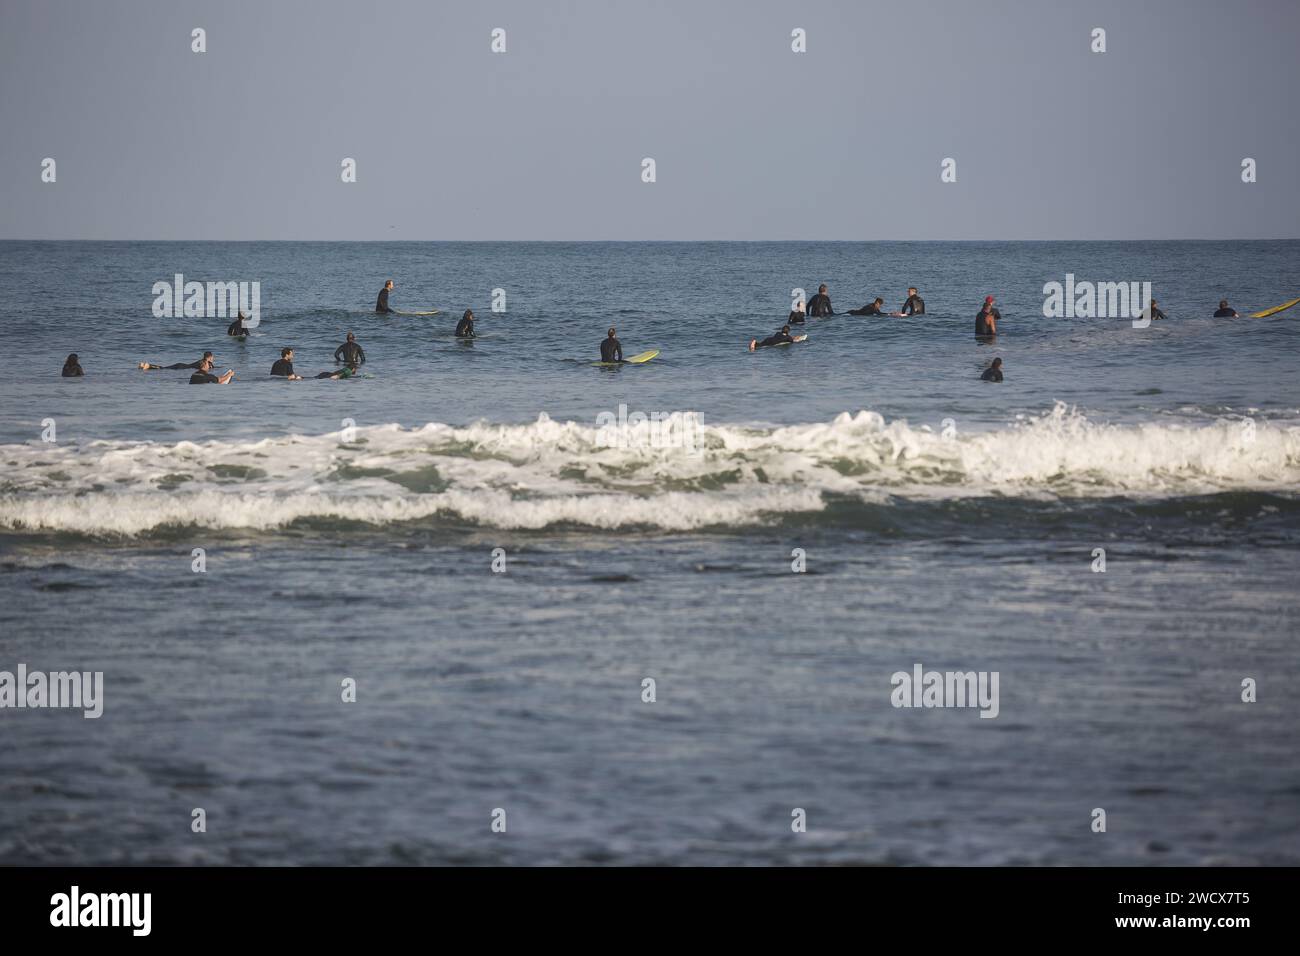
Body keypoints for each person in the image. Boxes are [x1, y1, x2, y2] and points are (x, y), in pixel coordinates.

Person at [139, 351, 214, 371]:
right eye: (212, 357)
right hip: (182, 368)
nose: (213, 358)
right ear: (209, 357)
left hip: (181, 365)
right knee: (163, 369)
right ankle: (148, 366)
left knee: (163, 368)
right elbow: (209, 368)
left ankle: (145, 365)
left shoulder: (200, 361)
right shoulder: (208, 363)